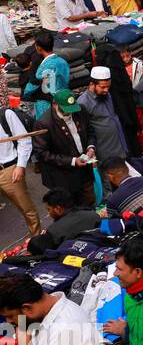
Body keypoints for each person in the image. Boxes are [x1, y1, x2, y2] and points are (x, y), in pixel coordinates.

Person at [34, 89, 95, 208]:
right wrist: (72, 161)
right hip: (62, 177)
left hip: (84, 171)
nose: (69, 113)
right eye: (65, 110)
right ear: (54, 104)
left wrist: (90, 147)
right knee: (70, 209)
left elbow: (90, 131)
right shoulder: (43, 123)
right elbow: (42, 153)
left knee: (89, 202)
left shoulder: (80, 110)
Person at [0, 98, 40, 236]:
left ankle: (37, 240)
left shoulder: (6, 115)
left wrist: (21, 165)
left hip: (9, 170)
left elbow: (24, 139)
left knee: (27, 209)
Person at [29, 188, 100, 254]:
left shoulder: (54, 231)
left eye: (49, 209)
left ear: (58, 209)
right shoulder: (93, 215)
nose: (48, 213)